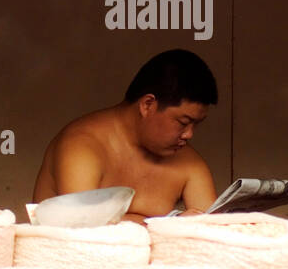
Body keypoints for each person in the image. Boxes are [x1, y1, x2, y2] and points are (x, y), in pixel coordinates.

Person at [32, 49, 218, 223]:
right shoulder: (81, 147)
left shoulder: (189, 163)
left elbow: (212, 235)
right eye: (183, 123)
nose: (189, 134)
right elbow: (84, 229)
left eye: (196, 125)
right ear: (147, 105)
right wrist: (170, 225)